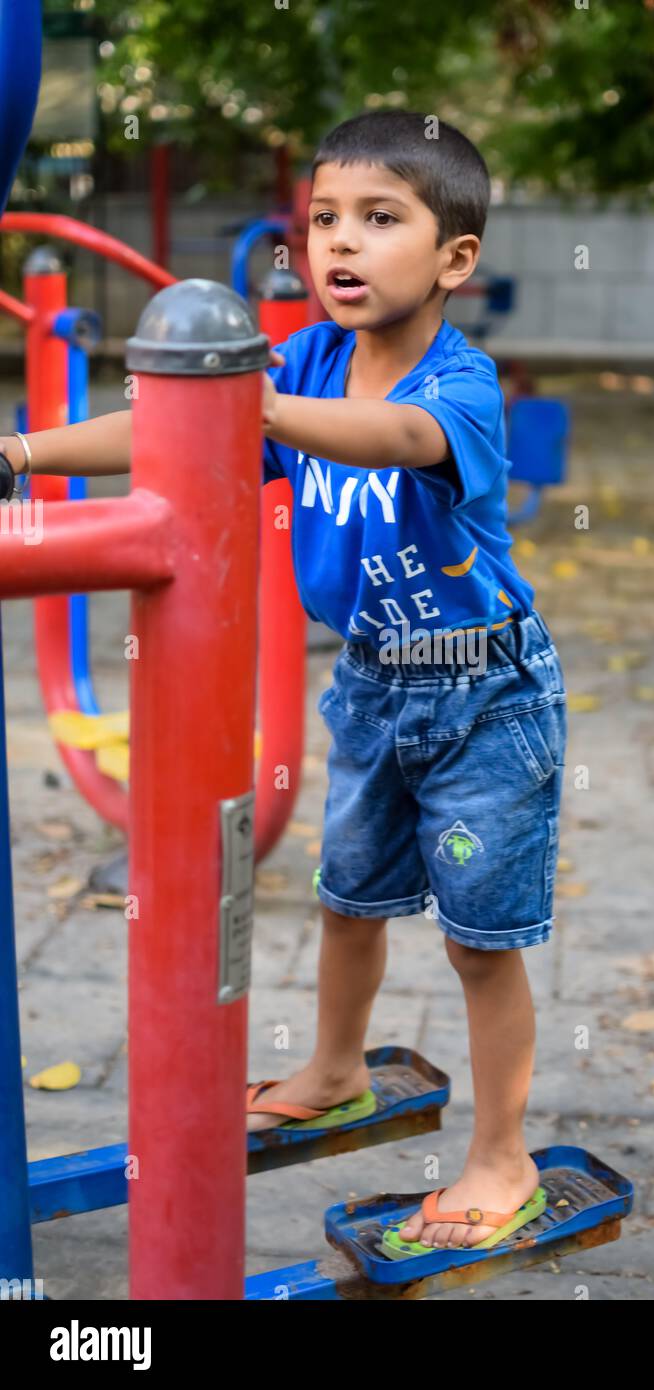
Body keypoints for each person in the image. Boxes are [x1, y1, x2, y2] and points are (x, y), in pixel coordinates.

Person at [1, 109, 567, 1258]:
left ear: (454, 257)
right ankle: (336, 1064)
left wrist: (254, 408)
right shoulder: (304, 357)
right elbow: (163, 429)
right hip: (369, 682)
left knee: (478, 939)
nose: (338, 245)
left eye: (378, 219)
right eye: (322, 221)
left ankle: (502, 1156)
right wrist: (23, 454)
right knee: (348, 896)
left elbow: (400, 439)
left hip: (483, 699)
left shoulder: (459, 381)